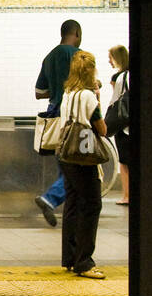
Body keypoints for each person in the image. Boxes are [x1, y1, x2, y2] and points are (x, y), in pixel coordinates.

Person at [57, 51, 107, 278]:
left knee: (73, 203)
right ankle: (84, 262)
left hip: (66, 153)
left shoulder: (68, 93)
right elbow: (102, 128)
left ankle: (69, 257)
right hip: (84, 155)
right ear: (91, 70)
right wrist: (98, 97)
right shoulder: (88, 96)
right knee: (92, 204)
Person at [33, 19, 83, 226]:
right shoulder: (78, 56)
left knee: (64, 164)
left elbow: (39, 92)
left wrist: (56, 89)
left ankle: (68, 209)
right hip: (73, 114)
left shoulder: (49, 57)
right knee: (78, 166)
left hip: (55, 113)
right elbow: (87, 86)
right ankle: (50, 199)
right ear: (77, 34)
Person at [108, 45, 130, 206]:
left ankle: (126, 195)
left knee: (124, 162)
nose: (109, 61)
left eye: (110, 57)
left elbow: (115, 101)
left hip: (123, 124)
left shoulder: (118, 77)